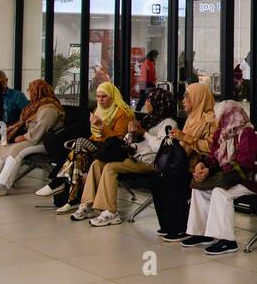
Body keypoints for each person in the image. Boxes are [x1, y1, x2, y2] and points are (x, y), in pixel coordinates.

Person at [71, 86, 177, 226]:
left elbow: (162, 147)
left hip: (148, 161)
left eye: (149, 100)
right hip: (132, 154)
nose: (145, 103)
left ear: (158, 102)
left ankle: (111, 211)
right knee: (98, 163)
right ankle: (87, 204)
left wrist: (143, 133)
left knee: (110, 167)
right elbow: (129, 139)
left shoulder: (168, 123)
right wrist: (132, 133)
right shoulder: (148, 118)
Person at [181, 101, 257, 255]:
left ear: (228, 116)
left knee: (220, 193)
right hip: (233, 176)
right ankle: (202, 233)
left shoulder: (246, 133)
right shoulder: (222, 134)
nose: (215, 120)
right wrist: (202, 165)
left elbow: (245, 163)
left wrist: (213, 170)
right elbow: (213, 157)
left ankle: (227, 241)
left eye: (218, 116)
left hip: (252, 179)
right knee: (199, 189)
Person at [0, 80, 64, 197]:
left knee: (15, 151)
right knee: (3, 147)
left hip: (44, 141)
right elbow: (23, 123)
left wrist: (23, 137)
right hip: (33, 139)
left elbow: (41, 129)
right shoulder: (36, 106)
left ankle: (2, 185)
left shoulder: (49, 108)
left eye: (31, 90)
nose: (29, 93)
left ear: (39, 92)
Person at [46, 82, 132, 211]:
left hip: (111, 150)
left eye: (104, 97)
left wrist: (102, 126)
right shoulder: (98, 109)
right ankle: (72, 199)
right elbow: (94, 136)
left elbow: (118, 140)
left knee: (79, 144)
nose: (100, 100)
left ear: (112, 96)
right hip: (98, 147)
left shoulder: (122, 113)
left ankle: (59, 182)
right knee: (78, 157)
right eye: (98, 96)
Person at [152, 82, 216, 239]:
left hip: (197, 166)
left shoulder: (210, 120)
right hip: (183, 163)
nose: (183, 100)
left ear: (198, 98)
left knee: (173, 180)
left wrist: (183, 137)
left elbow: (210, 147)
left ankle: (180, 226)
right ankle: (168, 224)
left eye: (187, 96)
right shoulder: (191, 118)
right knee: (156, 179)